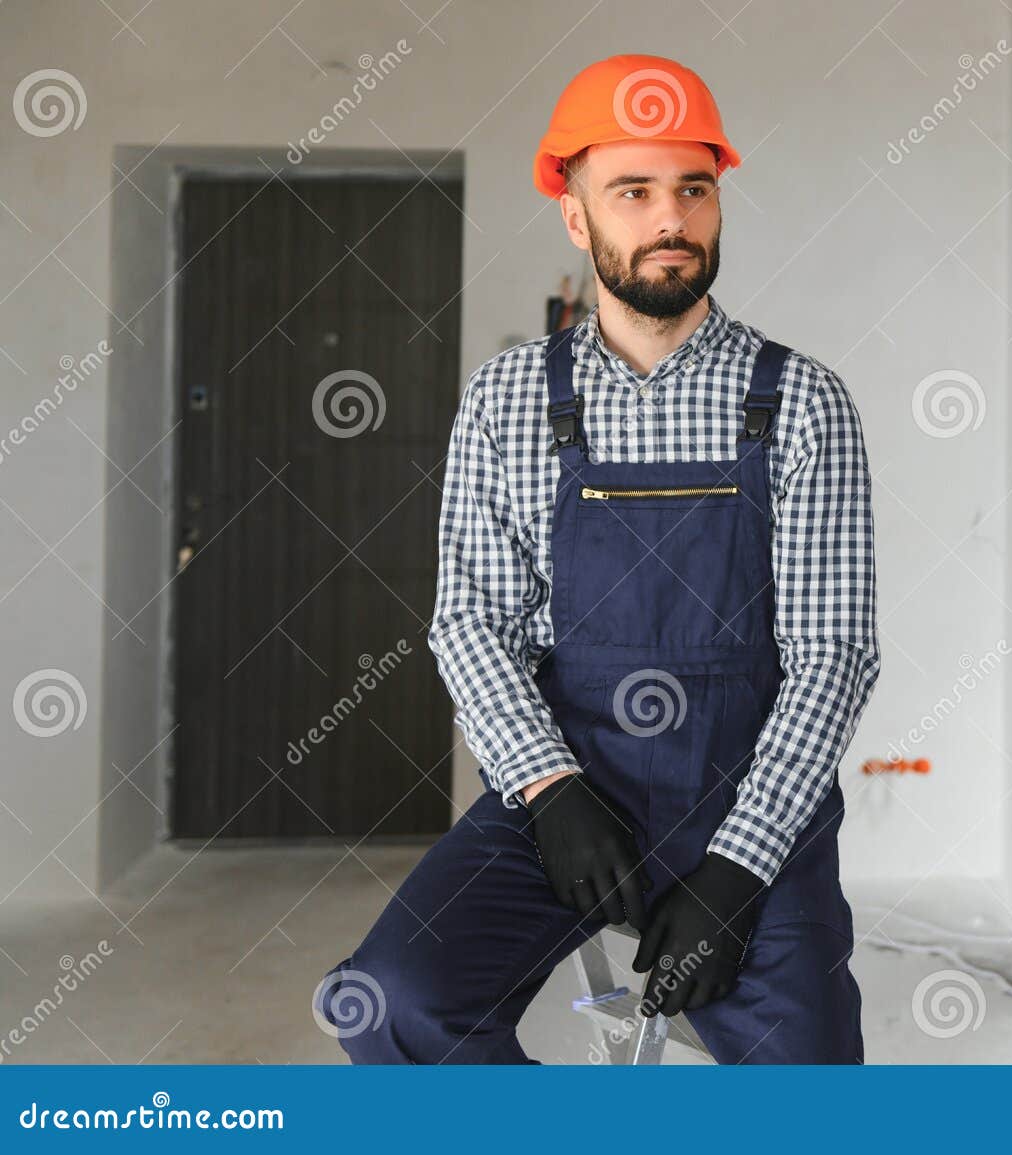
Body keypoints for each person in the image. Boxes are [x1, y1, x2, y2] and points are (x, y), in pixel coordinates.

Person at [316, 53, 882, 1064]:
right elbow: (471, 622)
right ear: (576, 218)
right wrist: (550, 791)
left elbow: (832, 655)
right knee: (391, 1001)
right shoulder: (507, 399)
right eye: (633, 192)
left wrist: (739, 868)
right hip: (574, 785)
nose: (671, 220)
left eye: (693, 189)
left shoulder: (803, 402)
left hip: (749, 799)